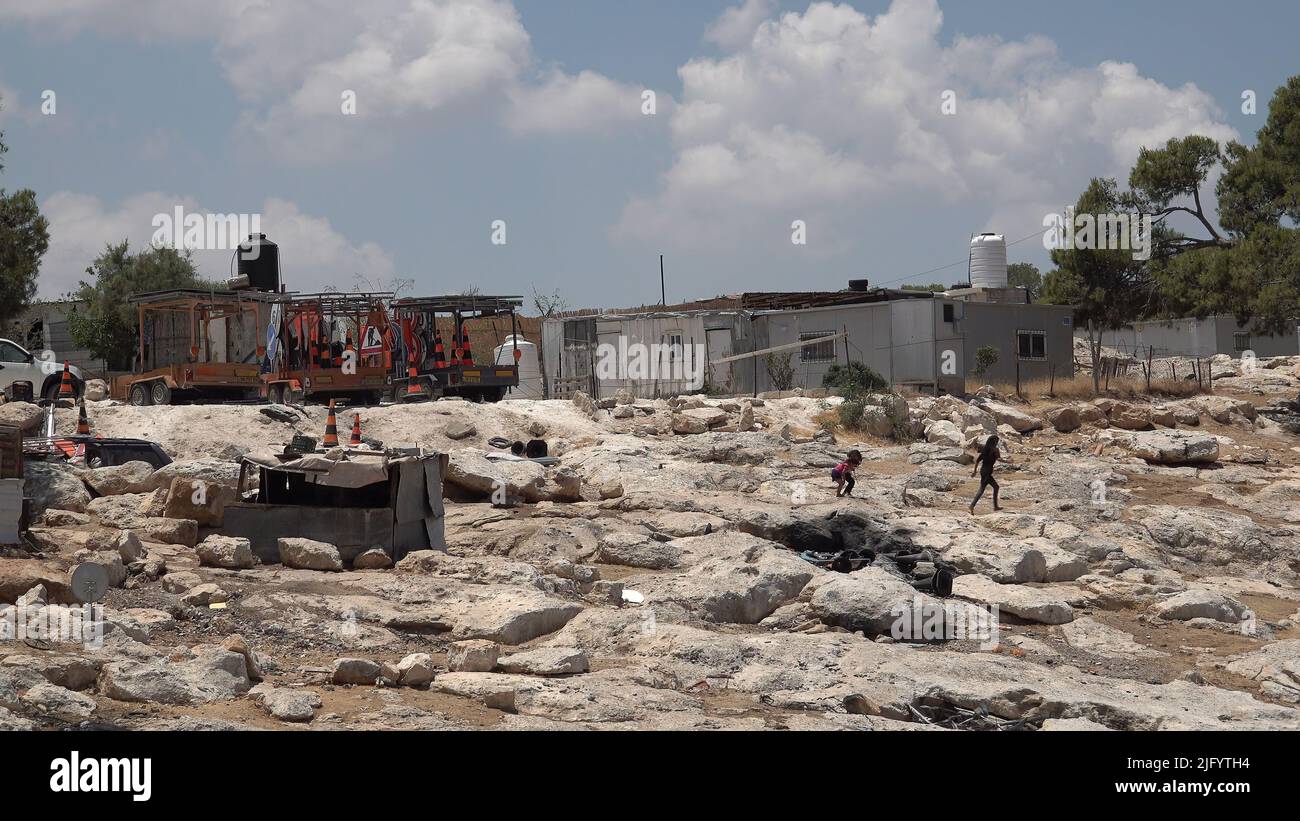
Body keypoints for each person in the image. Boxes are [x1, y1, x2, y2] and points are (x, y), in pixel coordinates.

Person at [970, 435, 1002, 513]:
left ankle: (995, 506)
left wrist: (975, 471)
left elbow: (977, 461)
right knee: (983, 489)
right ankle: (972, 505)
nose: (997, 443)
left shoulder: (986, 449)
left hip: (984, 471)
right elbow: (999, 458)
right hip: (987, 472)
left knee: (995, 487)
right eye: (996, 441)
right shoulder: (994, 450)